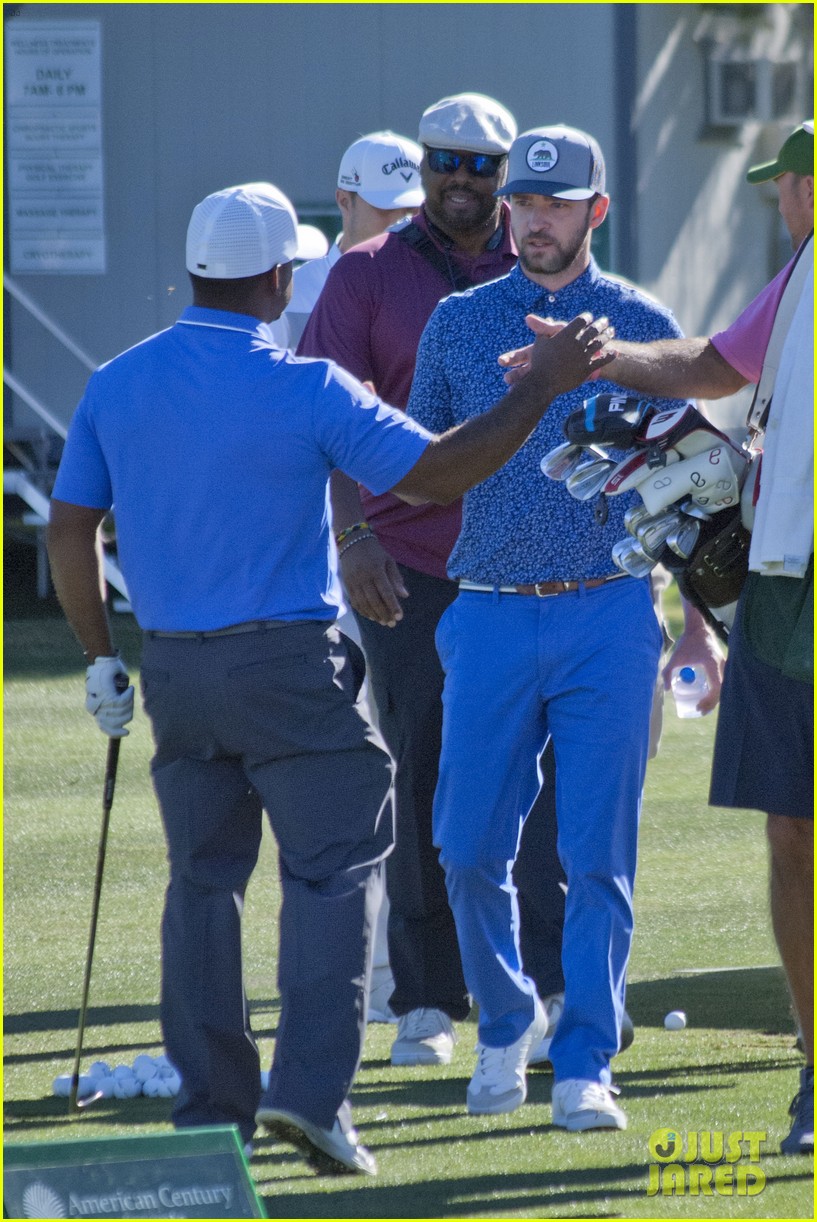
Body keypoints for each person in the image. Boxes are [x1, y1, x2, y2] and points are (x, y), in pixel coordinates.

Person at [46, 181, 612, 1174]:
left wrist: (100, 655)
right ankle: (311, 1098)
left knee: (201, 883)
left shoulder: (116, 381)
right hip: (291, 664)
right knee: (333, 868)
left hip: (176, 667)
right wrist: (537, 386)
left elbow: (68, 527)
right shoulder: (303, 384)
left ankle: (212, 1107)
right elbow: (436, 473)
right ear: (276, 278)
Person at [406, 123, 722, 1129]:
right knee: (465, 849)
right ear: (507, 209)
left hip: (611, 612)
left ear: (596, 209)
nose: (536, 220)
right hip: (489, 615)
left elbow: (692, 481)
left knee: (596, 855)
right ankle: (505, 1024)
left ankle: (586, 1054)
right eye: (523, 204)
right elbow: (422, 468)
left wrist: (696, 625)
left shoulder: (638, 320)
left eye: (557, 203)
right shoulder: (457, 324)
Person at [547, 120, 812, 1155]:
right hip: (787, 590)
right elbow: (713, 362)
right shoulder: (797, 278)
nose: (778, 204)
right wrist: (603, 360)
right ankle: (812, 1069)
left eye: (784, 185)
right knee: (792, 835)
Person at [299, 92, 574, 1070]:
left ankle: (548, 980)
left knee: (539, 778)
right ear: (422, 168)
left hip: (530, 566)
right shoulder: (365, 275)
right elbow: (321, 416)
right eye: (444, 161)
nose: (461, 179)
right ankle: (424, 993)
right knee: (421, 769)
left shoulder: (542, 266)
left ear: (506, 178)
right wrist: (353, 534)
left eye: (480, 164)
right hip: (408, 566)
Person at [270, 131, 424, 350]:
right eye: (385, 207)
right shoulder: (292, 296)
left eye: (413, 210)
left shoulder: (437, 290)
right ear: (344, 201)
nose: (402, 221)